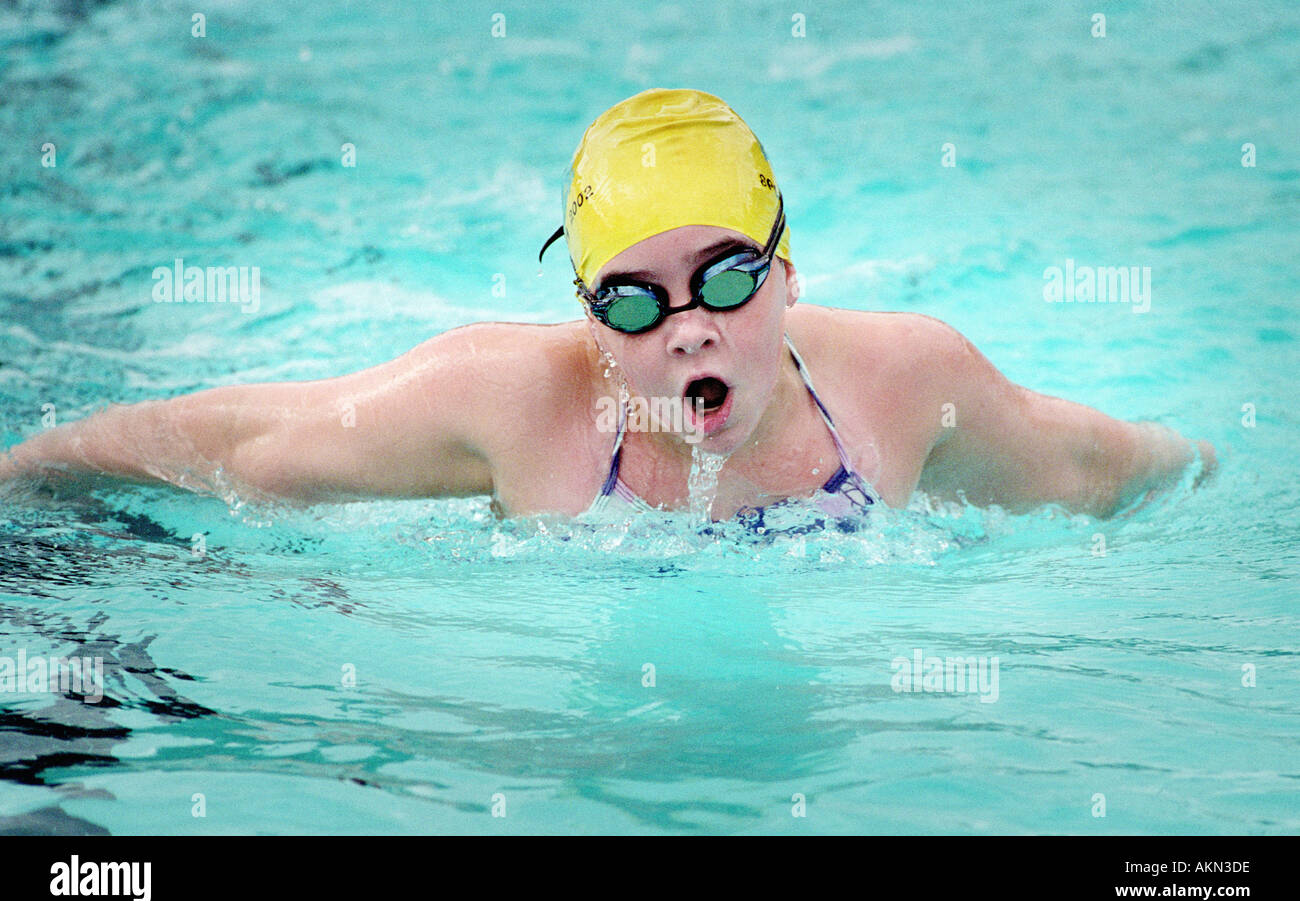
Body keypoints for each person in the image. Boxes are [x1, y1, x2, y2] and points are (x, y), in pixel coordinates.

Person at [1, 88, 1215, 525]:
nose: (691, 325)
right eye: (636, 300)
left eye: (730, 277)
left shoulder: (902, 382)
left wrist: (1224, 476)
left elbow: (1105, 465)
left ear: (791, 275)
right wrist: (29, 468)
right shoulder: (511, 404)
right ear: (590, 319)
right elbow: (233, 444)